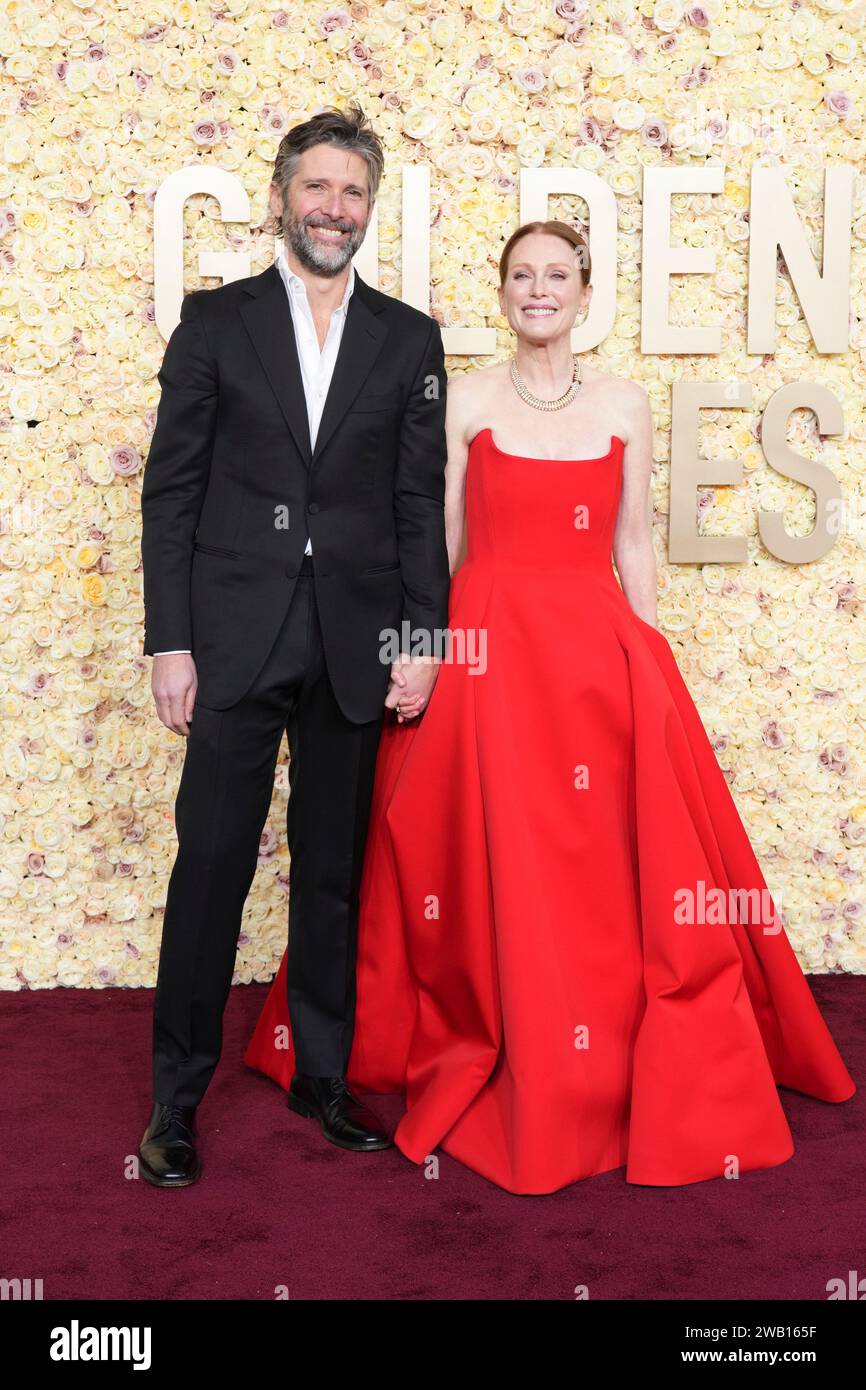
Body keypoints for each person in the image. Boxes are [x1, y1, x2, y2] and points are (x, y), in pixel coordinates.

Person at [245, 218, 856, 1195]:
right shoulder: (465, 396)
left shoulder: (622, 401)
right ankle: (494, 1031)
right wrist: (423, 650)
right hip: (485, 653)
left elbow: (631, 545)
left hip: (590, 653)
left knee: (602, 857)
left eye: (556, 275)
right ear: (502, 292)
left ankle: (598, 1051)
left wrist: (648, 656)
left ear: (582, 291)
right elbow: (432, 541)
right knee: (476, 854)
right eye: (522, 275)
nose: (539, 289)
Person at [138, 103, 450, 1187]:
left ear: (369, 208)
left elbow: (418, 504)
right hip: (230, 641)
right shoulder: (215, 325)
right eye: (317, 188)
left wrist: (421, 639)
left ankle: (325, 1076)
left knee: (330, 877)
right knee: (212, 868)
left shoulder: (407, 338)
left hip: (356, 648)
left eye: (352, 192)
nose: (333, 207)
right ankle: (174, 1104)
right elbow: (170, 492)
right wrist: (170, 643)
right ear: (281, 198)